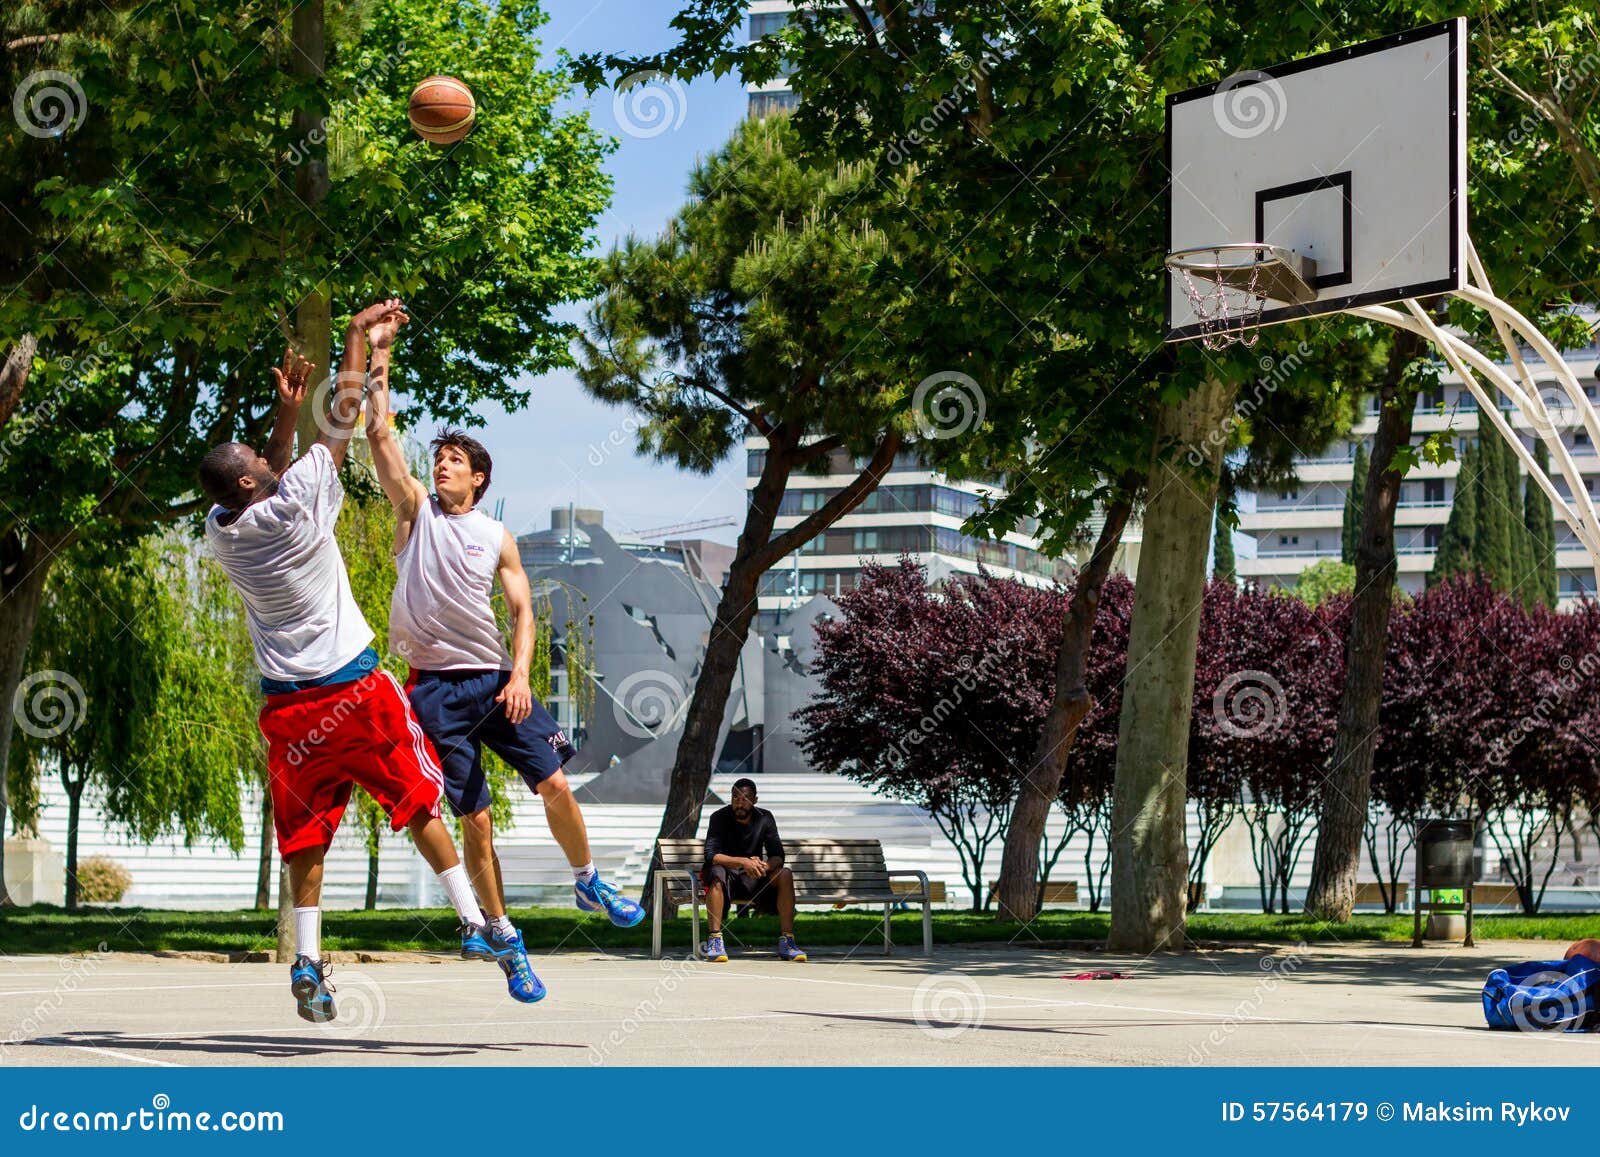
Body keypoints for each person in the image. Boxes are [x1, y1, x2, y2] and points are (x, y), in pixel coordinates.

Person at [198, 301, 502, 1022]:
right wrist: (359, 340)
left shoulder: (222, 529)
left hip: (287, 709)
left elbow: (265, 469)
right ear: (252, 483)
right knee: (418, 798)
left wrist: (282, 413)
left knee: (303, 836)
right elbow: (341, 418)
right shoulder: (298, 503)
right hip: (354, 691)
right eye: (255, 459)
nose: (267, 458)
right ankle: (473, 920)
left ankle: (305, 961)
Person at [359, 307, 644, 1004]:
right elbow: (379, 431)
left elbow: (523, 611)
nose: (441, 463)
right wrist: (380, 354)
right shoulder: (413, 512)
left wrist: (520, 674)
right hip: (431, 693)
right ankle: (504, 936)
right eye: (439, 458)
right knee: (475, 819)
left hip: (495, 682)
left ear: (479, 477)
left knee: (556, 786)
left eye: (455, 459)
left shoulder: (498, 535)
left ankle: (587, 881)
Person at [701, 778, 806, 962]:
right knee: (716, 871)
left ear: (755, 800)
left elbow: (778, 855)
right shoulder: (719, 817)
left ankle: (788, 941)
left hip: (754, 878)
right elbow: (711, 855)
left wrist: (764, 866)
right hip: (727, 878)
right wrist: (743, 862)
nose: (739, 803)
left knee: (785, 873)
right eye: (735, 798)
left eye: (745, 798)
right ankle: (715, 940)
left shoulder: (765, 817)